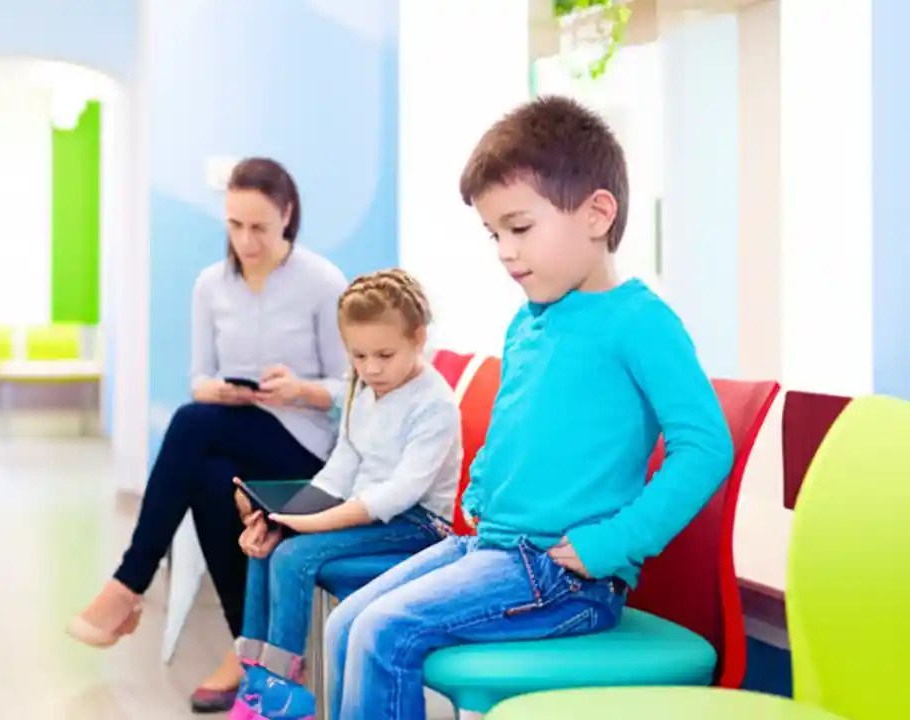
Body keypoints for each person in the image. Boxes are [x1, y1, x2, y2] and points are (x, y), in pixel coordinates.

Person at [323, 96, 735, 720]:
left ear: (598, 213)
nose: (505, 252)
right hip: (492, 546)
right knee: (346, 623)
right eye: (494, 234)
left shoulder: (642, 322)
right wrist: (483, 487)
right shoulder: (528, 322)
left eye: (520, 228)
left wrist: (617, 540)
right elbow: (518, 422)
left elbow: (705, 446)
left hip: (566, 576)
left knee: (385, 633)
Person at [67, 157, 349, 713]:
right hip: (232, 428)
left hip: (305, 444)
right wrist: (221, 391)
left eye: (260, 227)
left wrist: (298, 390)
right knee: (208, 475)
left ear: (287, 216)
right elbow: (199, 378)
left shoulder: (322, 281)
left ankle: (129, 584)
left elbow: (348, 388)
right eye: (235, 226)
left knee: (191, 428)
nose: (247, 240)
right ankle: (248, 650)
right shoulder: (210, 286)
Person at [230, 269, 461, 717]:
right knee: (267, 551)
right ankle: (256, 681)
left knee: (295, 556)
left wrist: (310, 524)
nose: (371, 368)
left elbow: (400, 493)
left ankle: (281, 693)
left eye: (384, 354)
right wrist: (285, 516)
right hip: (363, 515)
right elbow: (344, 463)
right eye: (358, 356)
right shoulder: (361, 385)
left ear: (418, 337)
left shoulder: (434, 403)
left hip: (417, 524)